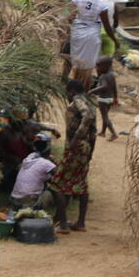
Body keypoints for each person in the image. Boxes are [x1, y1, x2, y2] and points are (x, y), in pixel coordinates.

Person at [49, 79, 96, 234]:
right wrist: (90, 151)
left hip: (76, 148)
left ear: (71, 91)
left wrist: (76, 138)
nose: (67, 96)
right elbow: (93, 130)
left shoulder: (78, 101)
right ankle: (80, 223)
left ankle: (63, 225)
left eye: (67, 93)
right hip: (85, 148)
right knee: (81, 183)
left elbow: (87, 117)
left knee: (57, 184)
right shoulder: (89, 101)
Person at [67, 0, 113, 88]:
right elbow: (106, 25)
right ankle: (84, 88)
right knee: (88, 66)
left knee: (78, 63)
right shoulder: (102, 4)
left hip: (77, 34)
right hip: (92, 36)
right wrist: (114, 39)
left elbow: (70, 17)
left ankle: (75, 85)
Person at [0, 116, 59, 194]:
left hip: (27, 160)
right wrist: (11, 158)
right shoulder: (7, 134)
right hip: (12, 163)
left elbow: (38, 126)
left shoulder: (28, 129)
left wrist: (52, 130)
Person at [10, 133, 57, 210]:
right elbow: (59, 176)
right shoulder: (46, 163)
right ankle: (60, 214)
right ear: (48, 147)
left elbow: (37, 173)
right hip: (27, 203)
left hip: (14, 201)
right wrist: (54, 162)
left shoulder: (30, 157)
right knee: (50, 192)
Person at [89, 56, 118, 141]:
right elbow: (114, 87)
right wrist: (116, 98)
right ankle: (103, 132)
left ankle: (113, 133)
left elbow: (104, 86)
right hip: (110, 98)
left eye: (99, 66)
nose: (97, 68)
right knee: (105, 116)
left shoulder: (103, 76)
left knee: (105, 117)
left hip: (103, 99)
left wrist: (91, 91)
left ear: (106, 66)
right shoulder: (112, 75)